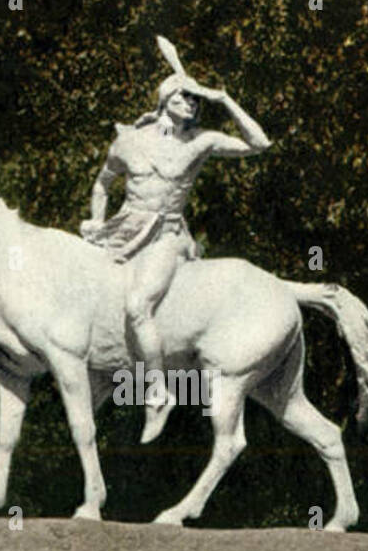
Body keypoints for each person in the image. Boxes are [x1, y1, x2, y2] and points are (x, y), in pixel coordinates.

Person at [82, 57, 271, 442]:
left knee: (138, 305)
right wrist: (96, 220)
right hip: (120, 232)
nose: (192, 104)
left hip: (165, 237)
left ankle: (156, 393)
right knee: (81, 298)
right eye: (185, 96)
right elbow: (103, 183)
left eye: (196, 101)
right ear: (165, 98)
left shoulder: (202, 141)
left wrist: (224, 98)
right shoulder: (129, 141)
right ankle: (96, 374)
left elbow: (260, 142)